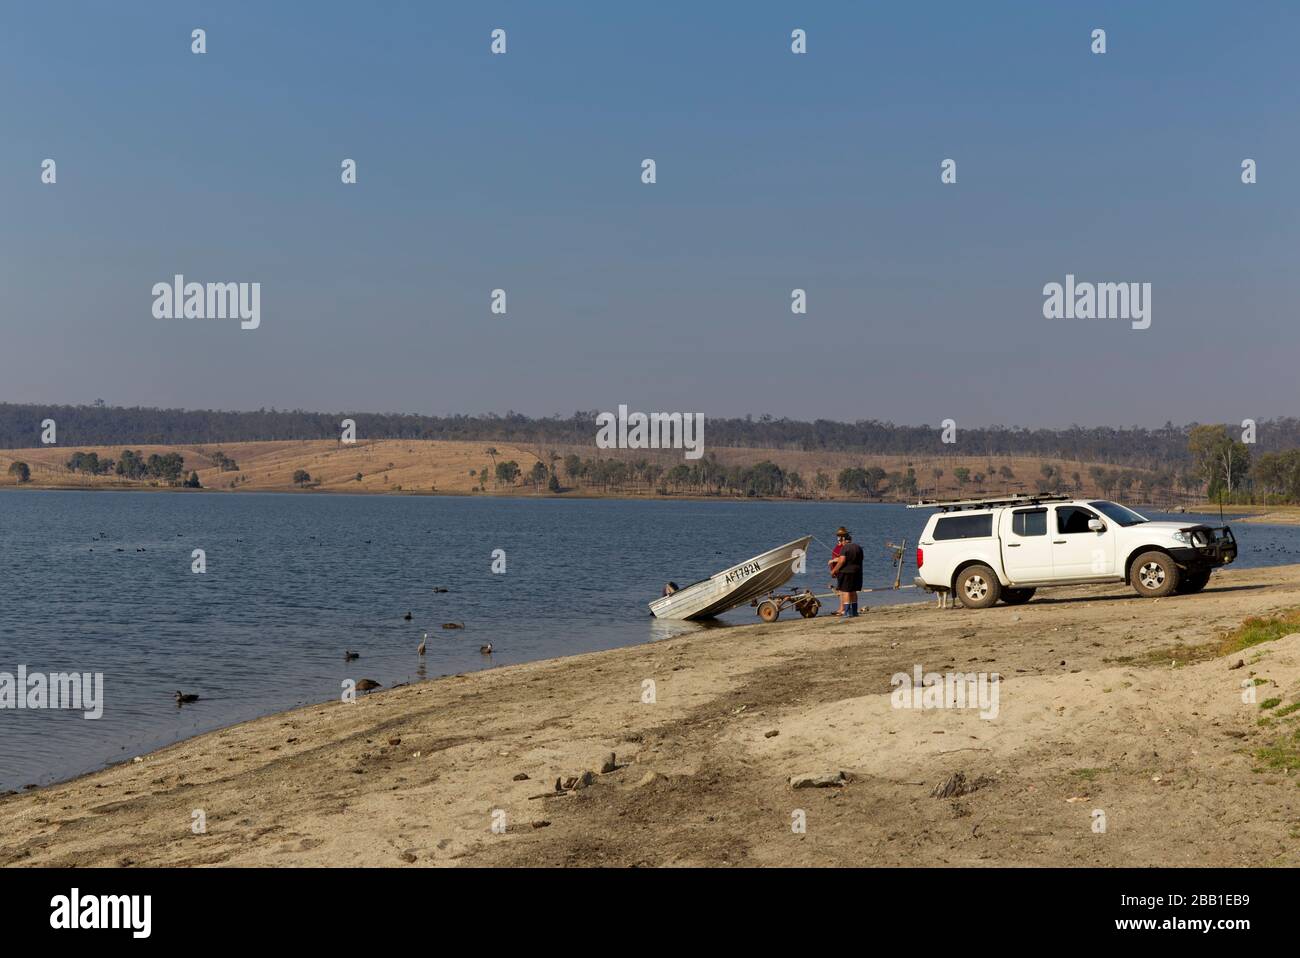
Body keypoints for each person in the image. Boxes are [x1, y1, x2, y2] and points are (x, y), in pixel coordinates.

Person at [828, 528, 864, 617]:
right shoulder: (858, 547)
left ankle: (847, 612)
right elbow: (861, 559)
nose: (840, 542)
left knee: (846, 591)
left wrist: (834, 570)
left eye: (841, 540)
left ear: (844, 539)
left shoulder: (845, 548)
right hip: (857, 572)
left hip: (846, 572)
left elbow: (841, 561)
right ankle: (854, 611)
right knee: (853, 591)